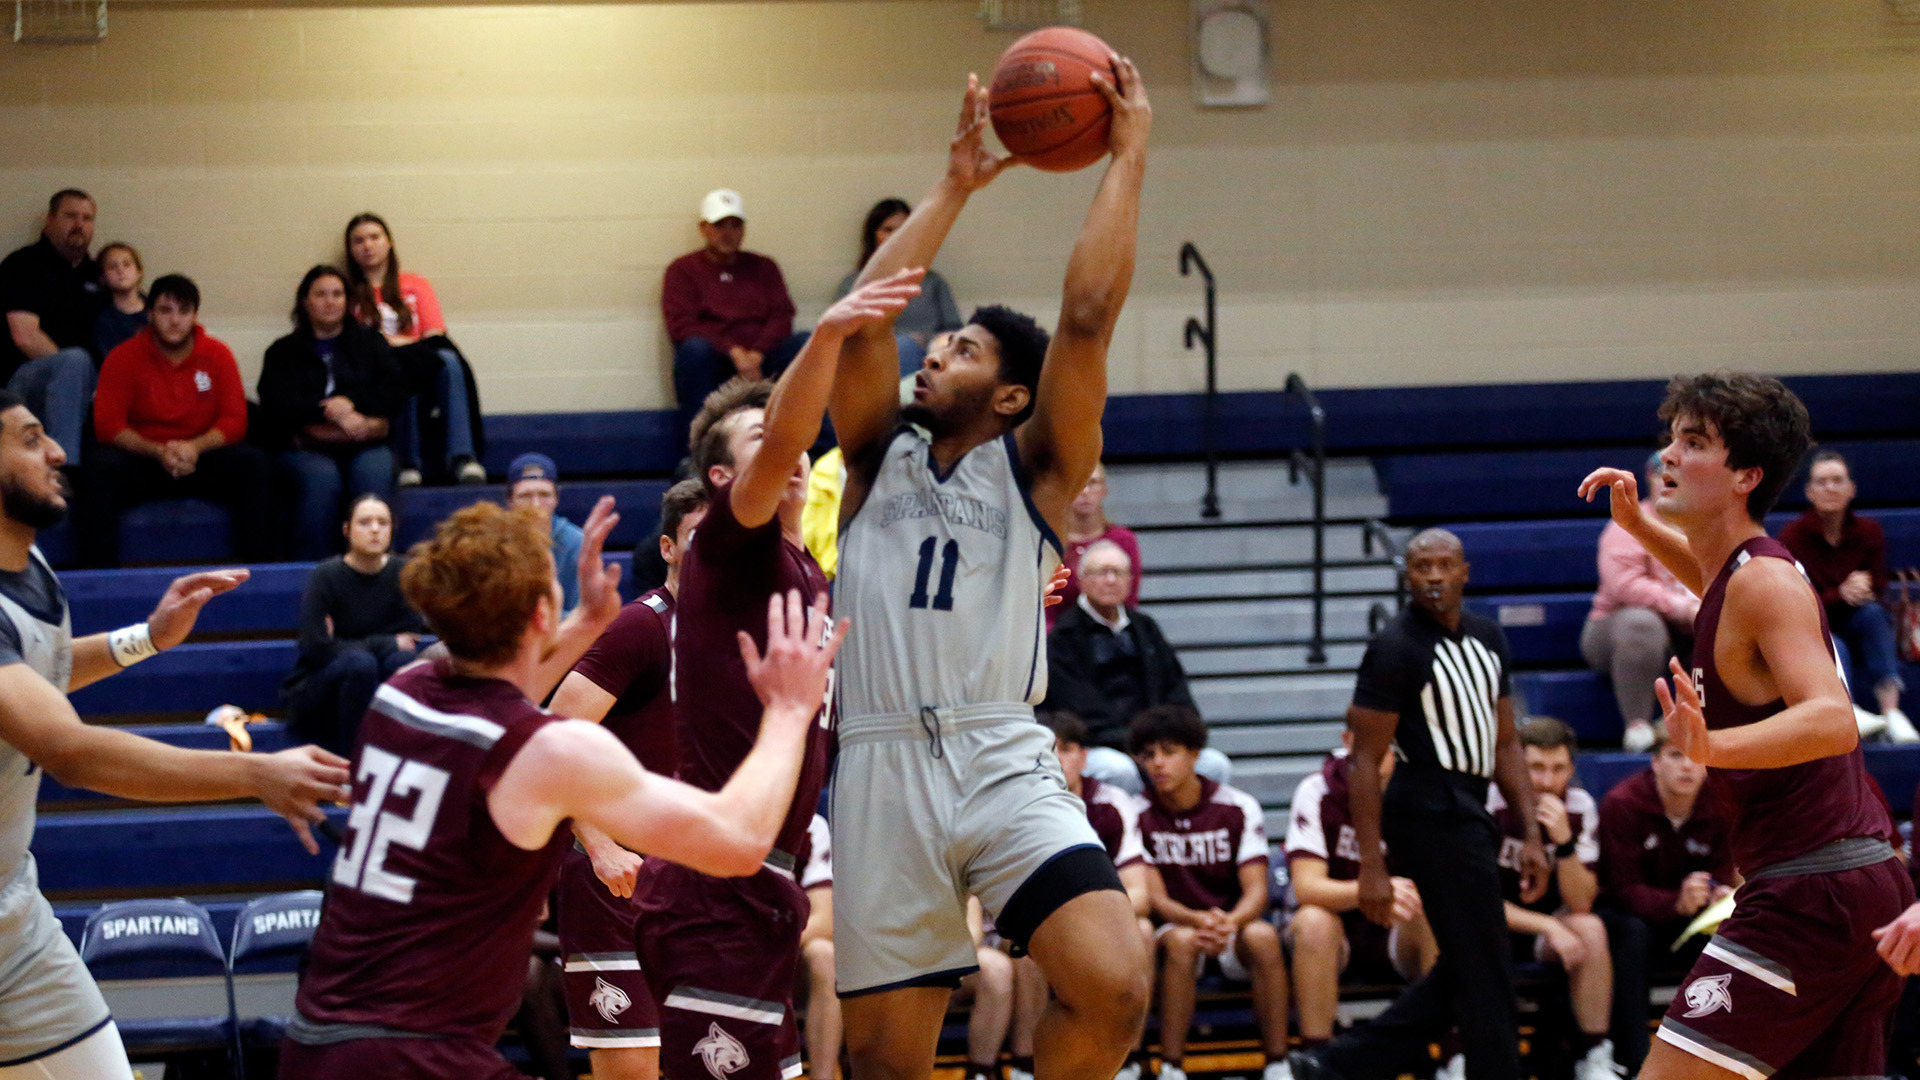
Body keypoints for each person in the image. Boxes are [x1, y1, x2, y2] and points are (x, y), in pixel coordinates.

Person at [825, 62, 1153, 1080]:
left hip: (1002, 751)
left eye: (961, 351)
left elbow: (1089, 316)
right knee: (885, 1065)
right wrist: (954, 188)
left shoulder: (1040, 470)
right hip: (881, 763)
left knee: (1115, 982)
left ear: (1012, 398)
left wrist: (1129, 150)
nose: (933, 355)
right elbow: (865, 318)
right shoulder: (878, 449)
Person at [280, 494, 844, 1078]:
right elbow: (739, 839)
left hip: (316, 1037)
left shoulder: (399, 692)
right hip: (415, 1053)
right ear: (541, 615)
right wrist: (786, 712)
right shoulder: (547, 751)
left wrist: (585, 625)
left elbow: (489, 679)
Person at [0, 387, 349, 1078]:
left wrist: (147, 639)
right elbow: (69, 750)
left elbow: (39, 677)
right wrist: (254, 773)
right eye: (32, 436)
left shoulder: (31, 568)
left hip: (16, 920)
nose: (58, 451)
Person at [1577, 372, 1912, 1080]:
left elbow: (1833, 721)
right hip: (1846, 885)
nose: (1667, 454)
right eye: (1670, 437)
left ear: (1746, 476)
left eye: (1693, 443)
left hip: (1812, 894)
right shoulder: (1737, 575)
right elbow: (1713, 588)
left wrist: (1711, 746)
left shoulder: (1764, 581)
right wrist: (1639, 527)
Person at [633, 271, 924, 1080]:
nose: (790, 447)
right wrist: (826, 340)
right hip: (713, 881)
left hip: (762, 879)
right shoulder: (731, 547)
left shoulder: (804, 569)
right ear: (724, 482)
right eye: (764, 440)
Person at [1290, 529, 1547, 1080]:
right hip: (1425, 806)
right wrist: (1371, 865)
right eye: (1421, 567)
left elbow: (1505, 742)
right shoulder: (1393, 648)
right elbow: (1362, 761)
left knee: (1471, 963)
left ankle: (1339, 1066)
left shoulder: (1488, 637)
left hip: (1471, 805)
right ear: (1407, 576)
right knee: (1488, 964)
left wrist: (1531, 833)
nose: (1433, 576)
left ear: (1464, 572)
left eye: (1444, 565)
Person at [546, 479, 708, 1080]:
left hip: (698, 873)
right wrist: (600, 843)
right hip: (619, 877)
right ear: (669, 547)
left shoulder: (738, 635)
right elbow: (550, 739)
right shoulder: (643, 626)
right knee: (633, 1066)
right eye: (698, 538)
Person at [1133, 705, 1290, 1080]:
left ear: (1195, 755)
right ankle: (1171, 1067)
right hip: (1173, 929)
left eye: (1169, 753)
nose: (1158, 764)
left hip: (1230, 924)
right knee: (1183, 942)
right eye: (1149, 754)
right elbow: (1156, 898)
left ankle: (1278, 1063)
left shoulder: (1237, 806)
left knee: (1264, 936)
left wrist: (1228, 922)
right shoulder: (1136, 811)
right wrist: (1197, 919)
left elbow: (1256, 890)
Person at [78, 273, 274, 568]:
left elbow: (235, 421)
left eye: (184, 311)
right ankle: (96, 580)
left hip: (201, 459)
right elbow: (108, 425)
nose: (175, 320)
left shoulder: (218, 355)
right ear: (150, 313)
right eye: (166, 310)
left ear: (195, 315)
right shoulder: (122, 357)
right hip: (143, 461)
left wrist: (194, 447)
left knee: (254, 463)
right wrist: (159, 451)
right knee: (100, 467)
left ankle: (260, 576)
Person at [1011, 711, 1155, 1080]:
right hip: (1012, 928)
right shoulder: (1009, 805)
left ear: (1084, 756)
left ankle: (1129, 1061)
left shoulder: (1110, 802)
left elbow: (1139, 891)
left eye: (1066, 748)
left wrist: (1087, 920)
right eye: (1047, 748)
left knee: (1139, 932)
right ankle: (1025, 1065)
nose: (1056, 757)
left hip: (1085, 924)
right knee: (1030, 949)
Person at [1284, 732, 1439, 1055]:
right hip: (1336, 933)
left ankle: (1453, 1058)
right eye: (1367, 741)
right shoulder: (1318, 790)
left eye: (1386, 744)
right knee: (1313, 921)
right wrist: (1372, 891)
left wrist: (1404, 894)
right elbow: (1306, 887)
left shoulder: (1423, 789)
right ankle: (1317, 1059)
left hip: (1398, 930)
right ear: (1348, 740)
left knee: (1438, 909)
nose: (1377, 751)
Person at [1595, 726, 1734, 1073]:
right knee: (1632, 934)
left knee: (1733, 933)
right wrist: (1675, 902)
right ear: (1655, 762)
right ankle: (1632, 1061)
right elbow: (1622, 887)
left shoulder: (1721, 805)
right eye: (1675, 755)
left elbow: (1723, 872)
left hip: (1689, 919)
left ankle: (1716, 1058)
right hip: (1628, 918)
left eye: (1696, 758)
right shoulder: (1623, 803)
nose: (1687, 766)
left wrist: (1718, 893)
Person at [1488, 718, 1620, 1079]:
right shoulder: (1487, 801)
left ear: (1572, 769)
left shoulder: (1578, 807)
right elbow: (1476, 899)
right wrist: (1546, 924)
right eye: (1536, 768)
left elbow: (1580, 903)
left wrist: (1564, 843)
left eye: (1558, 769)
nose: (1547, 781)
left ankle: (1594, 1058)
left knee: (1591, 928)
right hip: (1488, 926)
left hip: (1545, 931)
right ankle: (1456, 1059)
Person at [1043, 538, 1223, 794]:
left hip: (1153, 741)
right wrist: (1135, 743)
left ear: (1130, 580)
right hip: (1096, 744)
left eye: (1118, 573)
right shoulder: (1064, 637)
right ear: (1081, 580)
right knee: (1119, 770)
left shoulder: (1145, 628)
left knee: (1214, 765)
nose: (1110, 580)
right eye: (1100, 572)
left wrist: (1171, 740)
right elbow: (1077, 705)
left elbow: (1176, 688)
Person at [258, 265, 407, 559]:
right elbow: (276, 405)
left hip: (366, 441)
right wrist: (328, 412)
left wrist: (352, 404)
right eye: (321, 294)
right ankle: (316, 573)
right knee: (321, 480)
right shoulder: (282, 351)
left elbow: (394, 391)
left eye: (337, 294)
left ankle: (378, 566)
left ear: (348, 301)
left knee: (373, 473)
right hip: (306, 446)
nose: (330, 301)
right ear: (305, 301)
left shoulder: (370, 342)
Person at [1779, 449, 1916, 741]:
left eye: (1837, 480)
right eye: (1822, 482)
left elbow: (1879, 584)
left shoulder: (1868, 531)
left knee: (1874, 615)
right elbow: (1797, 603)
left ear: (1851, 489)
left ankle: (1891, 711)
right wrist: (1840, 593)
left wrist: (1864, 588)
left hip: (1857, 617)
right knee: (1832, 640)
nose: (1830, 488)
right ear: (1809, 492)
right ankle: (1846, 710)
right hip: (1813, 624)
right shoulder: (1792, 536)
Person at [343, 212, 486, 487]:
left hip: (422, 363)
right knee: (398, 364)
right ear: (351, 250)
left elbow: (435, 334)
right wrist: (394, 346)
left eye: (374, 237)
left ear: (389, 243)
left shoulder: (416, 284)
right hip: (378, 375)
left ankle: (462, 457)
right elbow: (355, 344)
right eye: (358, 240)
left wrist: (390, 341)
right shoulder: (347, 293)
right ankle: (408, 463)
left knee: (448, 359)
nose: (367, 245)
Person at [279, 494, 424, 756]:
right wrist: (387, 642)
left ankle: (401, 762)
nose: (375, 530)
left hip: (376, 673)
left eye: (383, 522)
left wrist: (344, 643)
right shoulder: (326, 575)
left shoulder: (404, 573)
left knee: (401, 663)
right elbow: (316, 646)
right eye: (365, 522)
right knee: (359, 665)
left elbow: (409, 640)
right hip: (322, 684)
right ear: (346, 530)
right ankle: (352, 767)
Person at [663, 188, 810, 445]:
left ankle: (814, 447)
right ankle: (698, 452)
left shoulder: (764, 267)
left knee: (806, 343)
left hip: (763, 357)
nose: (727, 233)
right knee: (694, 350)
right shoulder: (683, 270)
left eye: (735, 225)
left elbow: (782, 315)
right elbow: (681, 325)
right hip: (716, 360)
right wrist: (734, 352)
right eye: (720, 225)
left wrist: (756, 355)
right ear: (704, 229)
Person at [1584, 451, 1700, 753]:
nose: (1667, 482)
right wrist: (1682, 607)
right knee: (1641, 623)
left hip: (1687, 629)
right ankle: (1637, 725)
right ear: (1648, 479)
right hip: (1618, 627)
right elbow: (1624, 585)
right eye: (1660, 475)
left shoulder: (1707, 522)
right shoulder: (1630, 521)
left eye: (1675, 476)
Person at [0, 190, 102, 469]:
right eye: (71, 216)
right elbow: (25, 336)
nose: (79, 225)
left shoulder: (97, 273)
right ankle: (63, 470)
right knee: (75, 361)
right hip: (24, 385)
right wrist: (82, 378)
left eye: (87, 218)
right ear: (50, 219)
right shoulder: (22, 265)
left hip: (86, 383)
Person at [834, 198, 963, 376]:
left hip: (924, 357)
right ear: (873, 235)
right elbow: (839, 334)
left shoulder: (933, 282)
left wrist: (928, 341)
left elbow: (954, 331)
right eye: (888, 230)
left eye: (903, 230)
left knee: (906, 346)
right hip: (869, 360)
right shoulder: (853, 283)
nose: (896, 236)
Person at [1052, 463, 1141, 626]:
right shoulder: (1051, 542)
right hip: (1060, 640)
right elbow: (1046, 608)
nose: (1085, 491)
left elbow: (1129, 602)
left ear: (1104, 490)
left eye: (1092, 483)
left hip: (1110, 634)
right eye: (1077, 483)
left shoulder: (1123, 540)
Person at [507, 452, 586, 615]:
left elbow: (582, 614)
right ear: (510, 500)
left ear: (556, 498)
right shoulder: (493, 541)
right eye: (525, 496)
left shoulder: (578, 542)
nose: (536, 504)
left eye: (544, 494)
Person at [799, 812, 842, 1080]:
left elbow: (824, 921)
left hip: (780, 955)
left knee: (825, 955)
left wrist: (763, 948)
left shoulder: (812, 825)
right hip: (719, 949)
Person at [92, 241, 146, 358]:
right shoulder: (104, 320)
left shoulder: (157, 309)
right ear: (103, 278)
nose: (120, 270)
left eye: (126, 264)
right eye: (112, 267)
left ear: (139, 272)